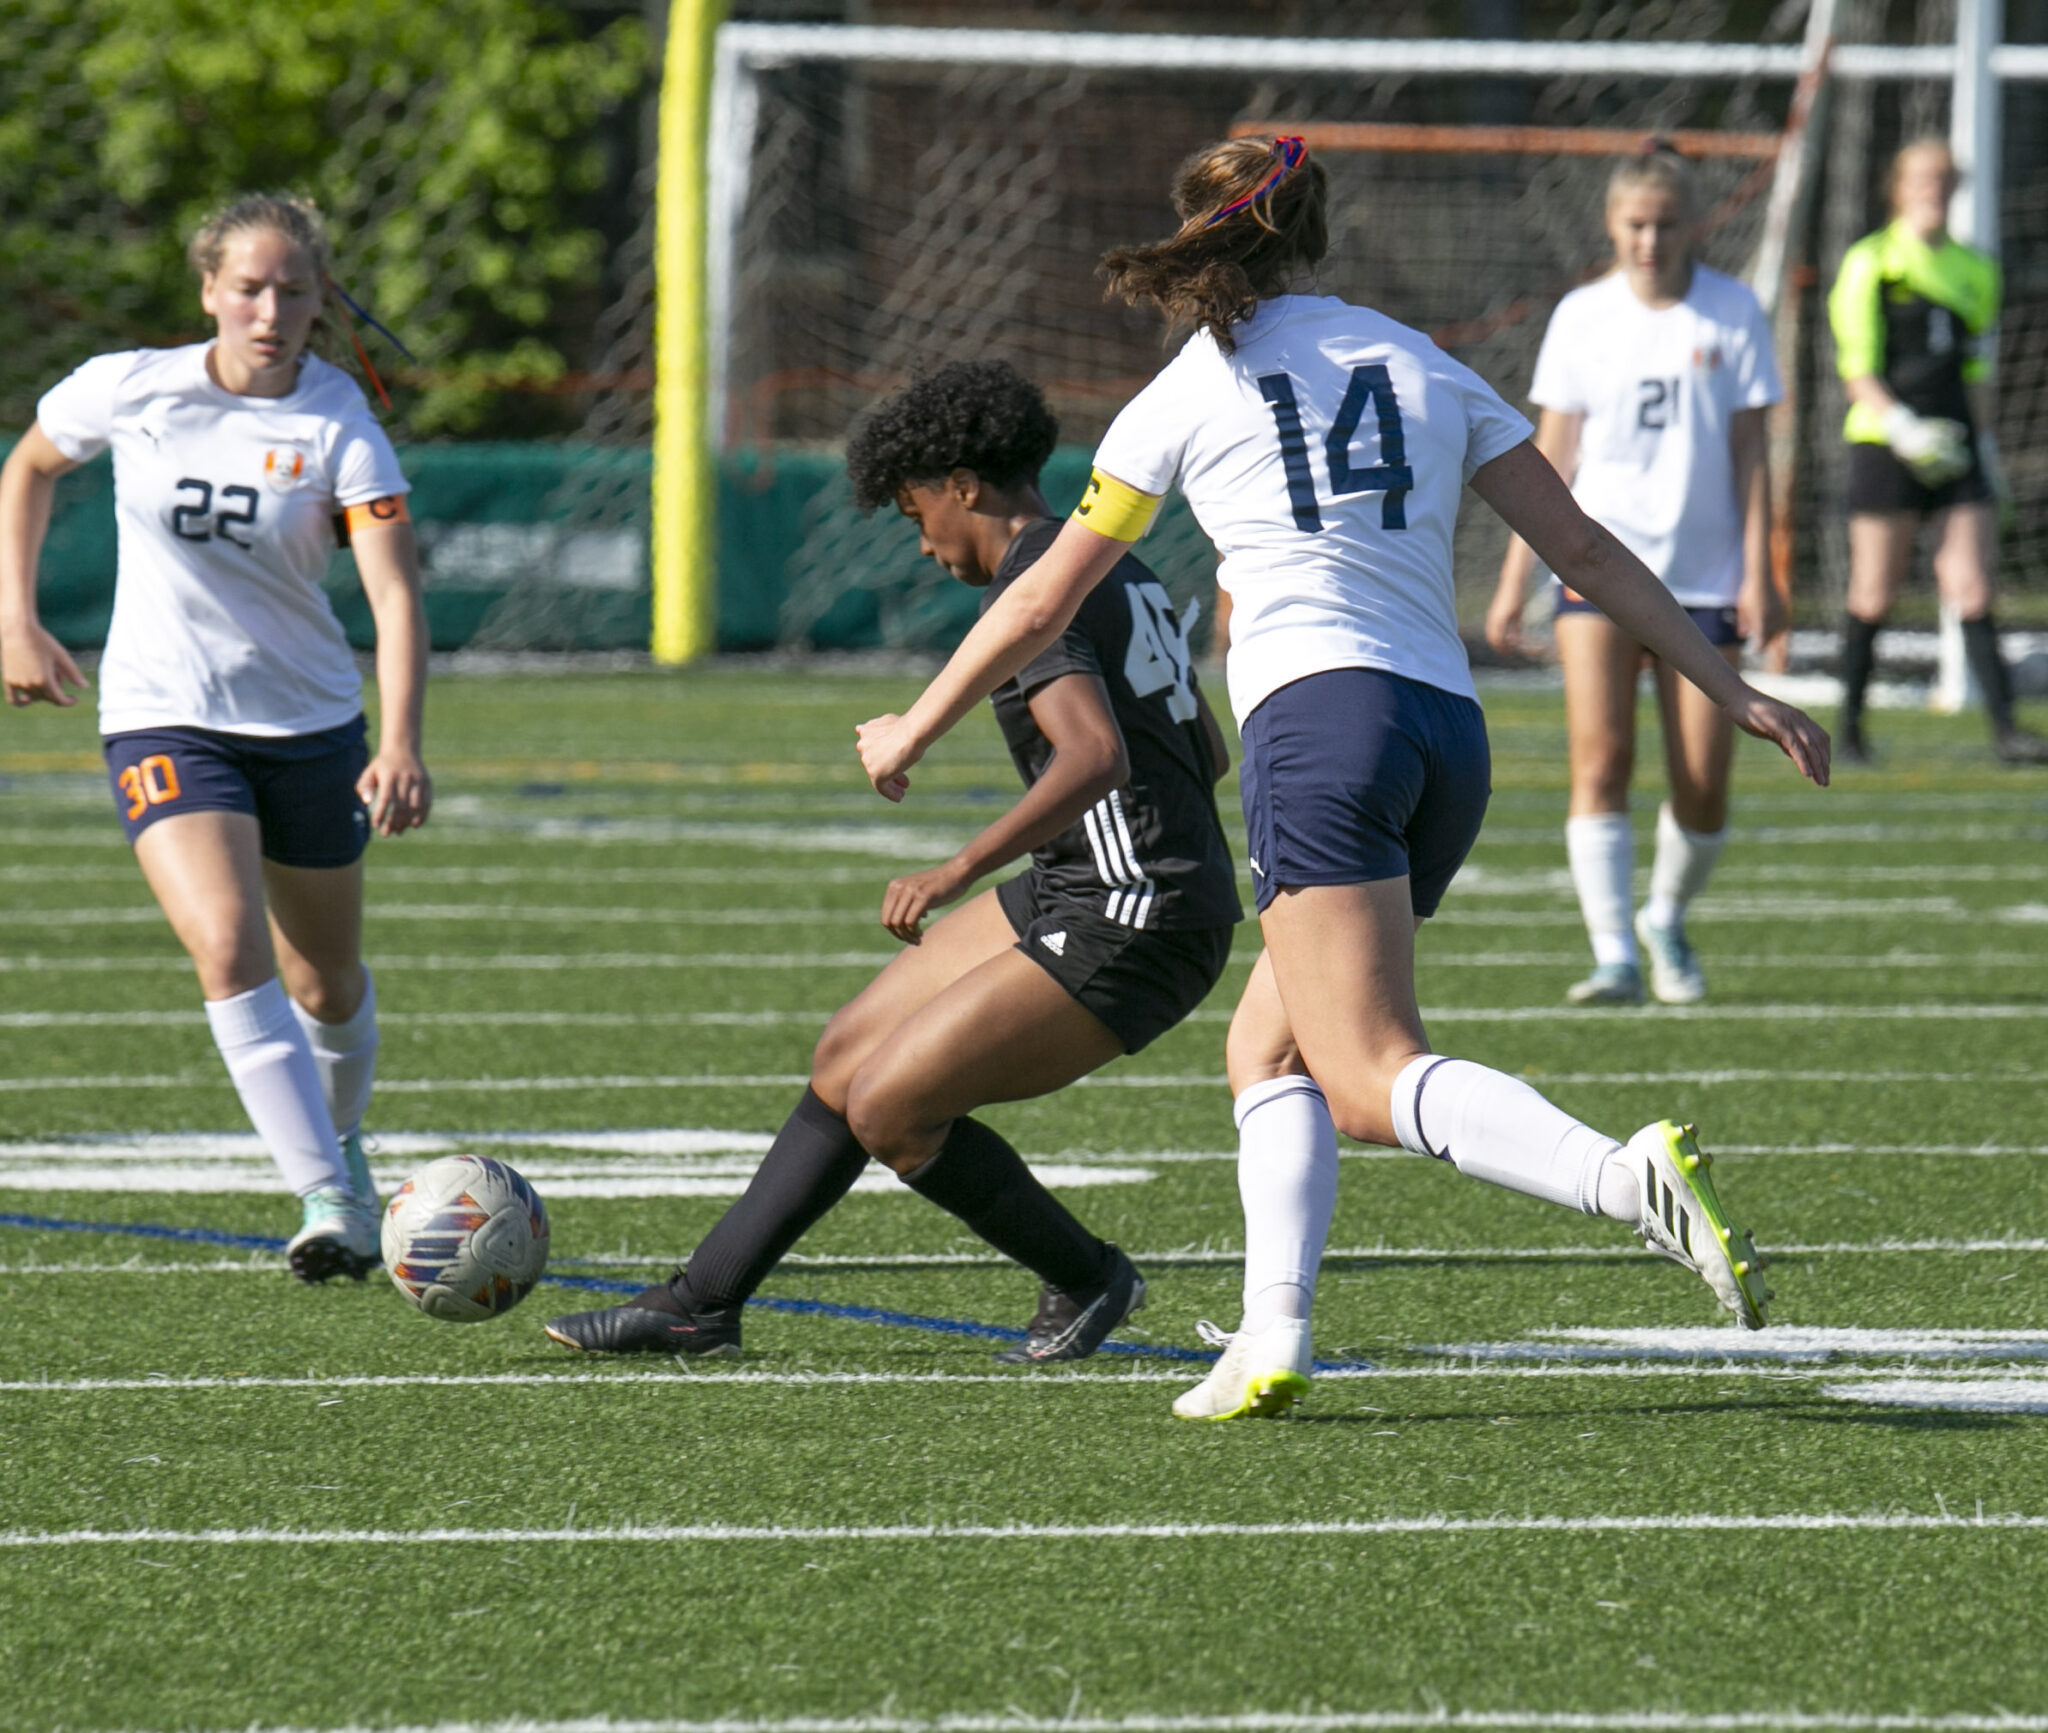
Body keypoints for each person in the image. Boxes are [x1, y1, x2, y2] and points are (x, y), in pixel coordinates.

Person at [855, 136, 1831, 1421]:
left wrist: (914, 727)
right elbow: (1584, 550)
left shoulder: (1194, 385)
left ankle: (1620, 1177)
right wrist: (1732, 686)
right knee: (1270, 1044)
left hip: (1322, 728)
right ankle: (1272, 1335)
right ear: (1307, 234)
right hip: (1444, 734)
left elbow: (1040, 592)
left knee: (1367, 1070)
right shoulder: (1420, 359)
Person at [543, 360, 1241, 1362]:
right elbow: (1203, 750)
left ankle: (1087, 1276)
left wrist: (954, 867)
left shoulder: (1035, 587)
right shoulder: (1104, 565)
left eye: (917, 511)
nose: (919, 540)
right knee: (845, 1055)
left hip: (1136, 917)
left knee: (892, 1107)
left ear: (964, 484)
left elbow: (1094, 754)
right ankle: (701, 1300)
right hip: (1091, 884)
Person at [0, 193, 429, 1282]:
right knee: (228, 947)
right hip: (162, 714)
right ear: (208, 292)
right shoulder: (130, 387)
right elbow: (29, 467)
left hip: (311, 725)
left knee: (325, 980)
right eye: (248, 288)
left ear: (320, 301)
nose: (269, 310)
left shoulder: (340, 424)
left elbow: (392, 593)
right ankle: (329, 1195)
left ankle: (342, 1152)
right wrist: (15, 614)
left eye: (294, 290)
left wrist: (401, 741)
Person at [1487, 142, 1784, 1007]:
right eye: (1634, 225)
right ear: (1612, 226)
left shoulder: (1733, 313)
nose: (1650, 240)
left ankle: (1664, 916)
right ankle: (1614, 951)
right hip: (1597, 573)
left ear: (1691, 223)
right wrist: (1514, 579)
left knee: (1703, 784)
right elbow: (1548, 459)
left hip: (1706, 579)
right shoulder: (1582, 316)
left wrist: (1761, 571)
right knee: (1601, 759)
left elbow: (1752, 455)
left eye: (1664, 224)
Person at [1828, 137, 2046, 765]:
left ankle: (2007, 731)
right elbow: (1857, 369)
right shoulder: (1871, 262)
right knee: (1874, 589)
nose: (1934, 189)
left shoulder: (1977, 270)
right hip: (1884, 444)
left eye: (1946, 179)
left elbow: (1975, 368)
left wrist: (1983, 445)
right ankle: (1849, 732)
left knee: (1972, 586)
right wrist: (1901, 428)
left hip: (1955, 449)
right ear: (1898, 187)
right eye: (1922, 178)